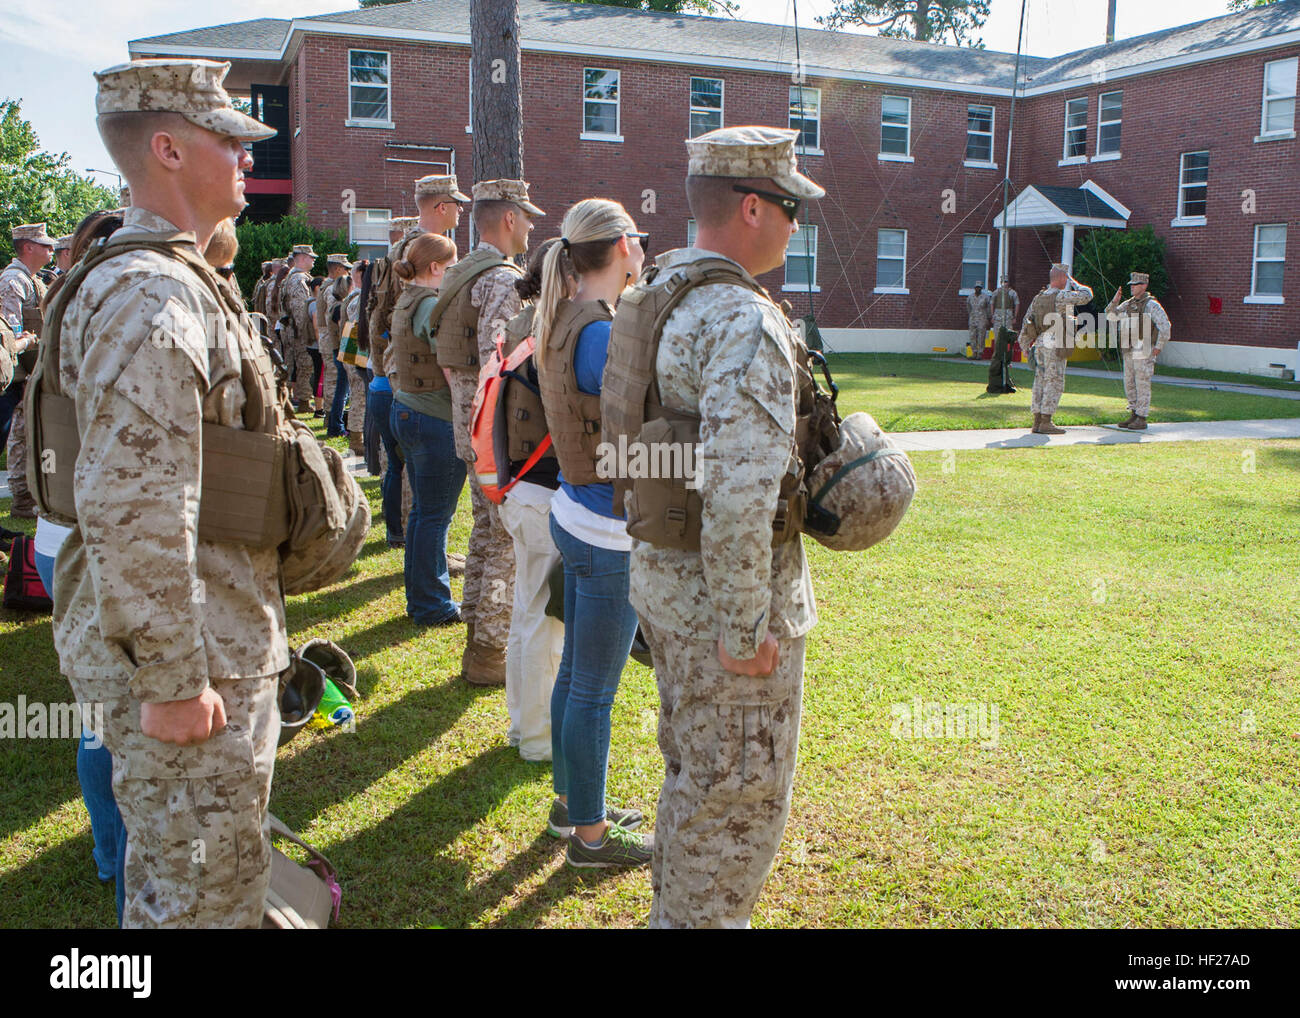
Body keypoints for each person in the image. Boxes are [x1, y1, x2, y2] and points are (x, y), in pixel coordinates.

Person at [51, 57, 289, 928]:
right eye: (228, 139)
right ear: (168, 149)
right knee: (199, 900)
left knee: (184, 886)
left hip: (213, 635)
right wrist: (173, 680)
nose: (246, 159)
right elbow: (132, 499)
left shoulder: (169, 279)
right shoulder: (151, 294)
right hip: (195, 661)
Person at [622, 125, 824, 927]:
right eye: (788, 207)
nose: (795, 224)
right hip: (722, 616)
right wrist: (747, 631)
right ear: (751, 207)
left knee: (693, 783)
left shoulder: (658, 291)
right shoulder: (741, 319)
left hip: (666, 589)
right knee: (735, 807)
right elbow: (741, 494)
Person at [533, 199, 651, 864]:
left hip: (576, 514)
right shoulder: (600, 332)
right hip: (605, 532)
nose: (644, 245)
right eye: (639, 236)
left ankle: (572, 804)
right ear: (620, 248)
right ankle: (590, 836)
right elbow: (637, 426)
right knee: (592, 690)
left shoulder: (570, 314)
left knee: (575, 675)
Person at [34, 207, 129, 924]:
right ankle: (120, 853)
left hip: (56, 531)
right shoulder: (115, 318)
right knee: (114, 720)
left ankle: (108, 851)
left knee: (95, 715)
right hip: (95, 537)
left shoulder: (57, 318)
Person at [433, 178, 544, 686]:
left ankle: (476, 623)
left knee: (484, 529)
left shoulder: (461, 269)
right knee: (502, 540)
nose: (531, 226)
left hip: (467, 423)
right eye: (526, 216)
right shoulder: (501, 279)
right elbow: (498, 365)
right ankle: (487, 652)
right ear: (508, 218)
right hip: (491, 431)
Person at [497, 239, 569, 762]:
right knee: (543, 623)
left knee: (527, 614)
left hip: (518, 488)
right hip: (543, 492)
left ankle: (523, 728)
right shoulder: (556, 329)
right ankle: (540, 741)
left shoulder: (521, 322)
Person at [388, 232, 465, 624]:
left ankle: (421, 598)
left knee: (422, 514)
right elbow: (449, 363)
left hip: (407, 411)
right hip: (433, 418)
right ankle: (431, 605)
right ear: (435, 267)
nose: (452, 273)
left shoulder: (408, 298)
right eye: (450, 266)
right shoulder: (431, 303)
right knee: (434, 516)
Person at [1, 222, 56, 519]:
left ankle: (26, 498)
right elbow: (11, 334)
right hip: (15, 378)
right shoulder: (14, 281)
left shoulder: (32, 279)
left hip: (27, 373)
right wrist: (23, 377)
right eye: (45, 245)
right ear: (28, 247)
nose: (51, 249)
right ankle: (22, 500)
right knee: (18, 436)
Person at [1018, 262, 1092, 435]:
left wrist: (1024, 344)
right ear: (1062, 278)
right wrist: (1075, 283)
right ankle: (1046, 421)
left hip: (1041, 342)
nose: (1067, 281)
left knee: (1040, 380)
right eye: (1065, 277)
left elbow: (1027, 320)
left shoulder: (1039, 297)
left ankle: (1037, 421)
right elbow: (1086, 295)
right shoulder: (1060, 296)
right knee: (1055, 380)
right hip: (1055, 341)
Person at [1106, 271, 1171, 430]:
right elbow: (1110, 316)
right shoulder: (1128, 304)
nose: (1132, 288)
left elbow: (1165, 326)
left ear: (1144, 286)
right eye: (1131, 285)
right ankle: (1133, 413)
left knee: (1142, 383)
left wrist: (1158, 347)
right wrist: (1115, 301)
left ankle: (1142, 417)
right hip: (1129, 348)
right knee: (1129, 382)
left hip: (1144, 348)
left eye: (1135, 285)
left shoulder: (1151, 305)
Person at [280, 244, 319, 409]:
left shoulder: (291, 276)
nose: (314, 260)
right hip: (298, 330)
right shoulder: (299, 279)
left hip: (291, 329)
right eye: (311, 257)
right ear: (302, 258)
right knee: (304, 365)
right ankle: (303, 400)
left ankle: (292, 398)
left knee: (293, 364)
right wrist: (305, 332)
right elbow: (299, 309)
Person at [322, 254, 352, 437]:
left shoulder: (335, 304)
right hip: (340, 349)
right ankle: (336, 425)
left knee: (342, 389)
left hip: (336, 348)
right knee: (342, 390)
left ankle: (335, 424)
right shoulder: (339, 307)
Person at [343, 259, 371, 455]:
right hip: (358, 350)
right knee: (359, 396)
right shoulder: (361, 299)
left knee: (357, 395)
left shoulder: (353, 298)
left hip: (351, 348)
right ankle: (356, 439)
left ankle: (357, 436)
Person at [986, 274, 1019, 394]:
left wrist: (1015, 316)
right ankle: (998, 357)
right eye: (1003, 281)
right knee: (998, 339)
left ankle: (1007, 359)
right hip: (998, 315)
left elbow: (1017, 304)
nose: (1005, 283)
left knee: (1008, 340)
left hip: (1008, 315)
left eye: (1006, 281)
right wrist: (993, 315)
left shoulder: (1012, 293)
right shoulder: (996, 292)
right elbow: (992, 303)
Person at [965, 281, 992, 360]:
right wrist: (971, 314)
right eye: (976, 287)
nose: (978, 289)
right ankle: (974, 352)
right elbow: (968, 307)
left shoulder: (986, 297)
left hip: (982, 318)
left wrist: (987, 317)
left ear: (981, 288)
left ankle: (980, 353)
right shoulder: (970, 297)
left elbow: (988, 308)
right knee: (972, 336)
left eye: (979, 287)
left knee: (981, 336)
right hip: (973, 318)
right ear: (974, 288)